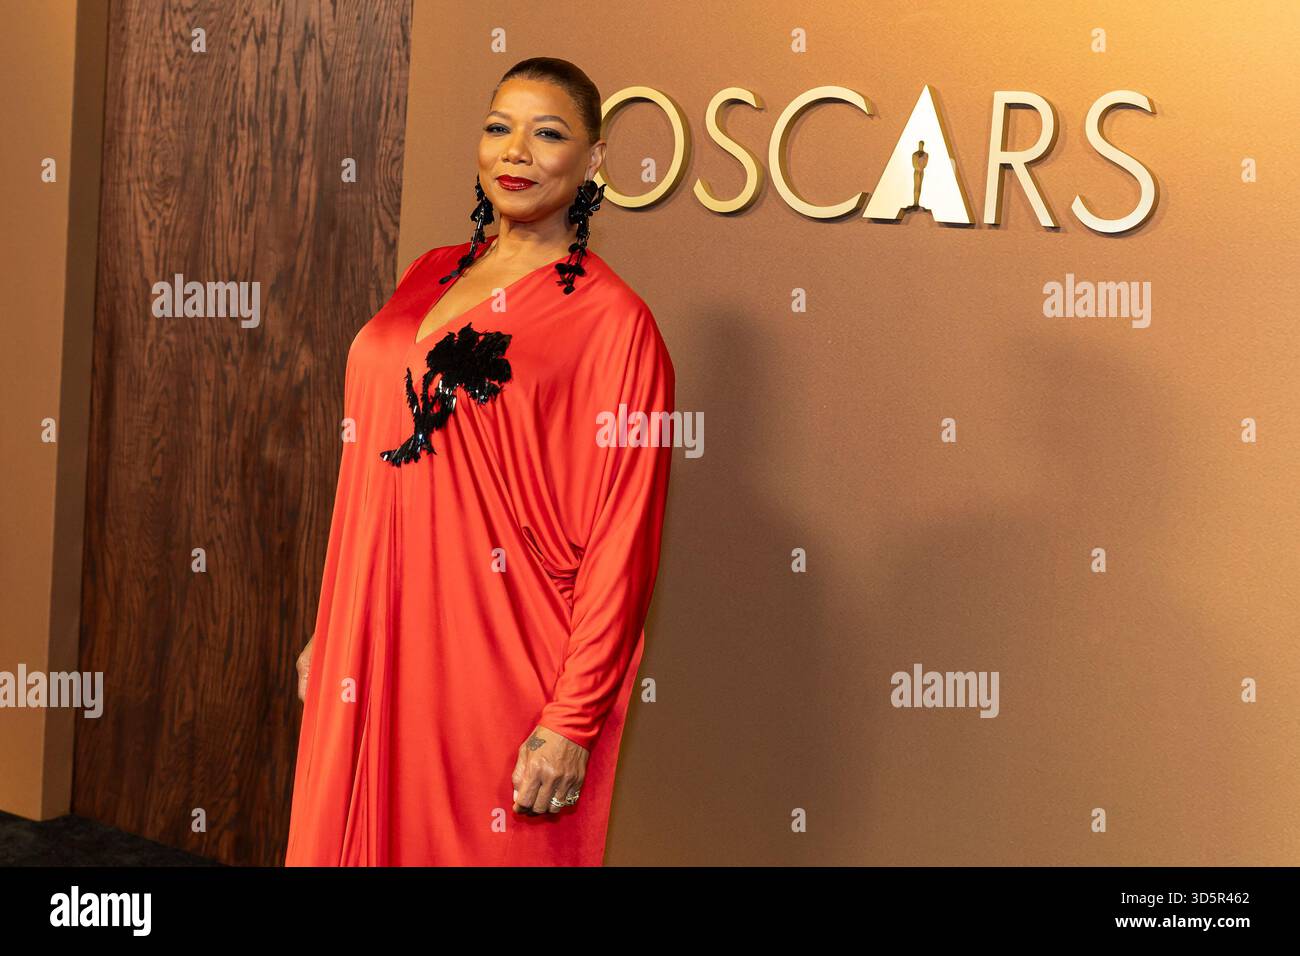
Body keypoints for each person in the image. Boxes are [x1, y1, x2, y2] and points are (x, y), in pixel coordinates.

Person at [283, 57, 675, 866]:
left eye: (549, 134)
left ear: (594, 161)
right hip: (372, 627)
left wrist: (573, 719)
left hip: (495, 651)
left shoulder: (615, 324)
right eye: (500, 127)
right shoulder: (428, 272)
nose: (517, 152)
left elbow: (622, 545)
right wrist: (334, 622)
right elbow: (370, 462)